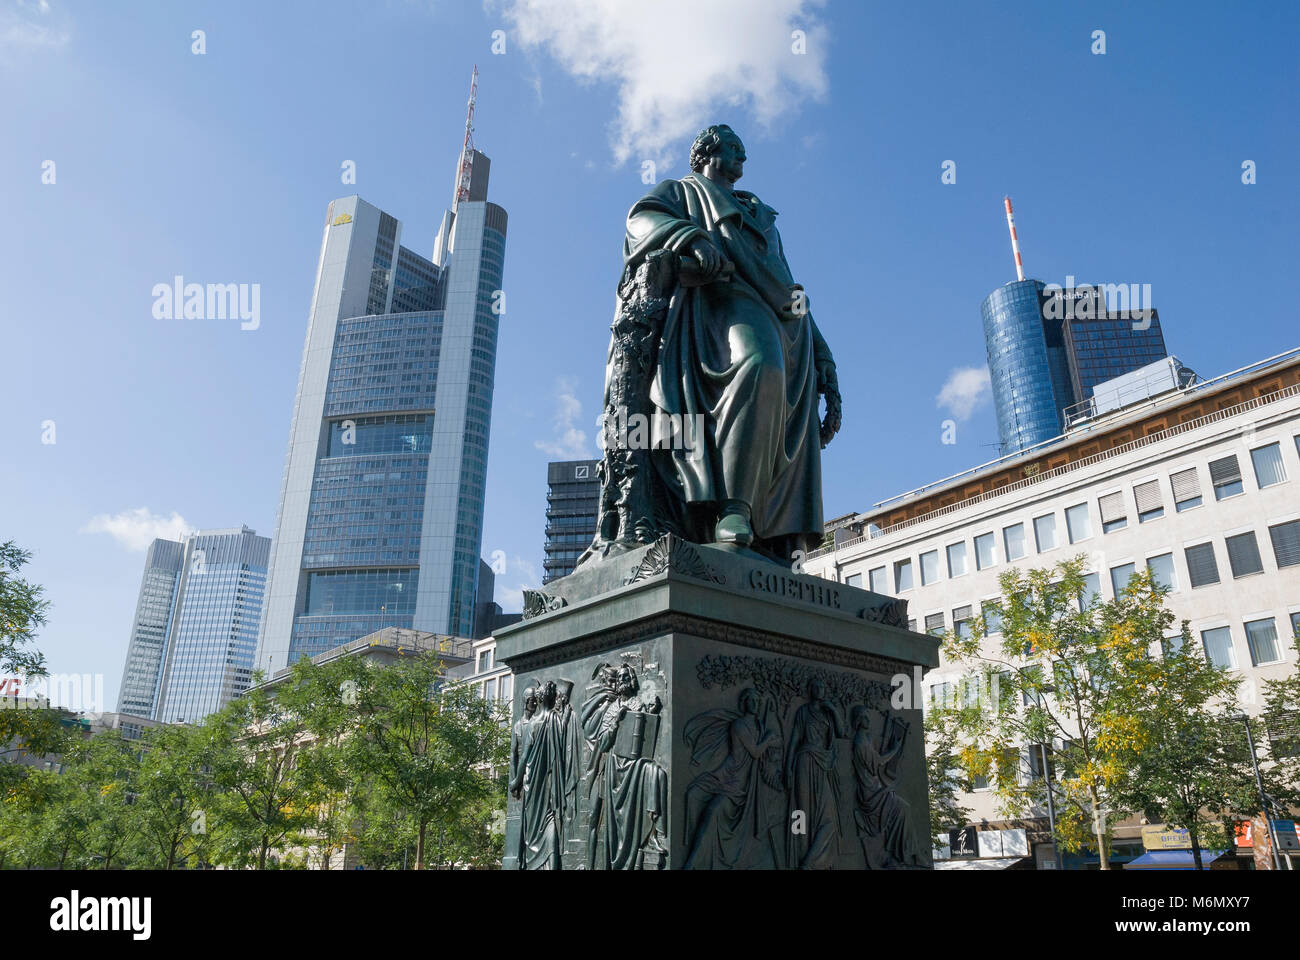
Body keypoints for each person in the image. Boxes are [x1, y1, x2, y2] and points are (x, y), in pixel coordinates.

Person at [616, 123, 842, 559]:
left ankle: (768, 525)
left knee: (777, 375)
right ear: (706, 151)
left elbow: (788, 284)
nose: (744, 157)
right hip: (719, 304)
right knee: (759, 364)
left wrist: (824, 354)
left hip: (786, 319)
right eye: (735, 148)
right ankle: (732, 509)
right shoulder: (682, 193)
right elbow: (640, 219)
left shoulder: (761, 214)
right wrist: (693, 236)